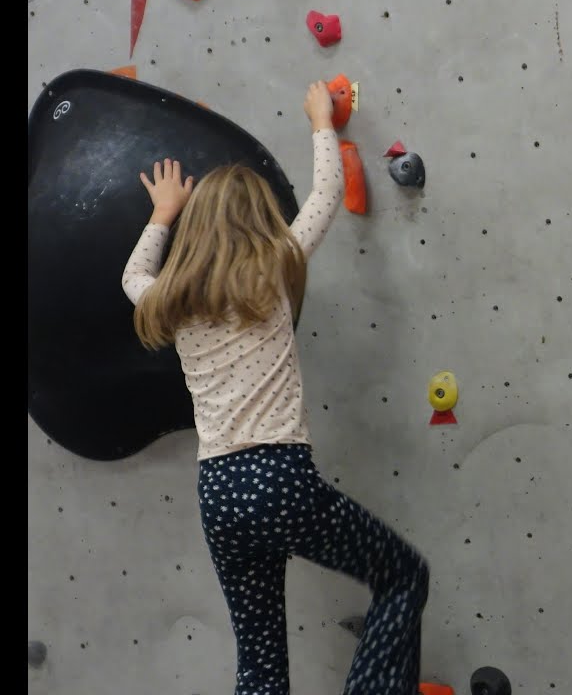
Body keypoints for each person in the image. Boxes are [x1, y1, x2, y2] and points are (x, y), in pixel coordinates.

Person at [122, 81, 430, 695]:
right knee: (402, 576)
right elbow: (326, 195)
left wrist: (161, 215)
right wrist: (322, 121)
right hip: (279, 478)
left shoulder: (171, 301)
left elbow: (133, 274)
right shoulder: (275, 266)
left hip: (219, 493)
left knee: (261, 661)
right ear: (260, 220)